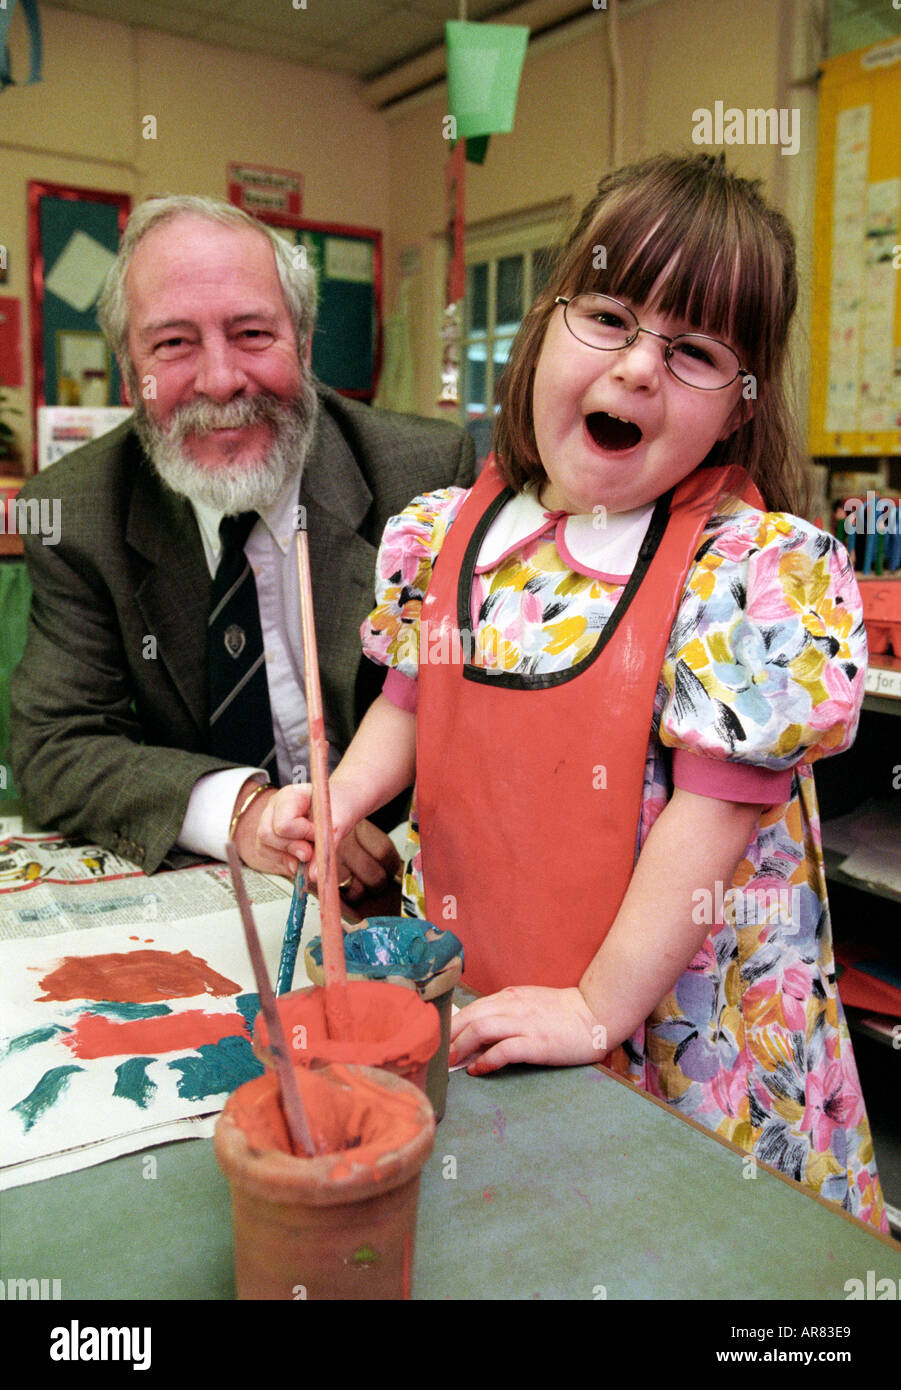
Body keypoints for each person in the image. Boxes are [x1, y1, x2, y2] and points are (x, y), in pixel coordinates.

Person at [261, 154, 886, 1230]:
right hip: (508, 984)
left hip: (679, 1027)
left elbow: (714, 814)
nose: (639, 367)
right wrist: (340, 798)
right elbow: (407, 707)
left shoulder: (752, 573)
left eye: (691, 351)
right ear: (545, 329)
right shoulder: (448, 534)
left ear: (738, 409)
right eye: (607, 316)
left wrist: (600, 1006)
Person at [9, 196, 474, 902]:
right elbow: (56, 747)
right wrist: (247, 814)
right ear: (130, 370)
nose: (221, 380)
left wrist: (353, 811)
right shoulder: (77, 511)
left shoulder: (425, 478)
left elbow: (480, 714)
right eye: (172, 344)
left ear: (306, 344)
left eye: (252, 333)